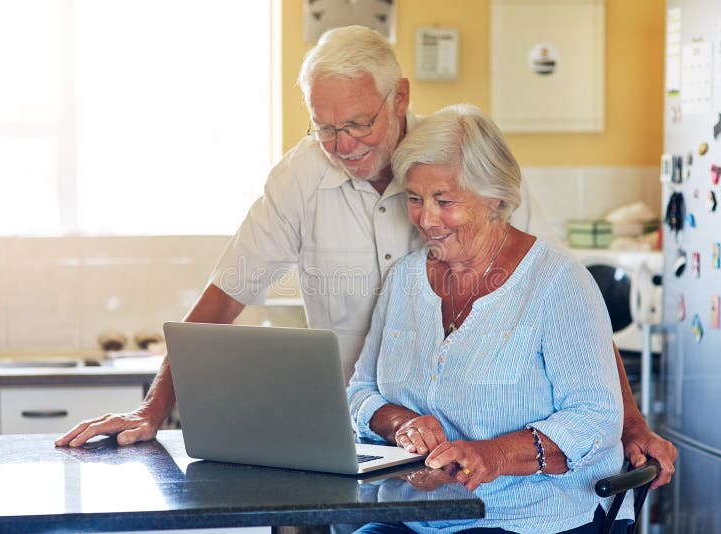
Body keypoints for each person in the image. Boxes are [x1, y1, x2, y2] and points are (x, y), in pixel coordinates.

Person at [54, 25, 676, 489]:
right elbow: (224, 295)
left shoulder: (465, 169)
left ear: (400, 98)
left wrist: (626, 425)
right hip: (362, 440)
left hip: (495, 459)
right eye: (324, 128)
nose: (342, 145)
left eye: (357, 123)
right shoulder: (301, 178)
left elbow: (565, 309)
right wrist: (153, 408)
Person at [349, 103, 630, 533]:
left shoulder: (558, 283)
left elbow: (595, 419)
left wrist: (492, 455)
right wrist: (401, 423)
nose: (426, 219)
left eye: (444, 201)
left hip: (527, 518)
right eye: (414, 199)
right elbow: (360, 392)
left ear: (495, 196)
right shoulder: (403, 280)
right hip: (414, 518)